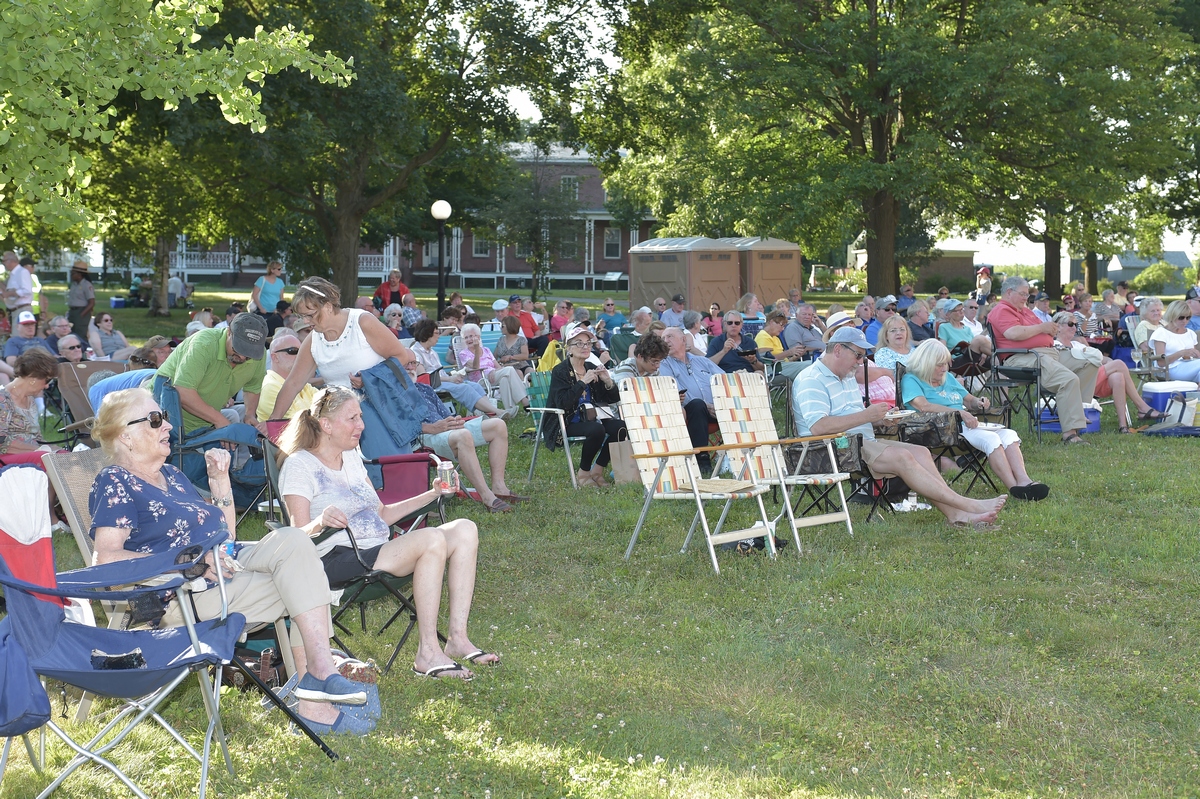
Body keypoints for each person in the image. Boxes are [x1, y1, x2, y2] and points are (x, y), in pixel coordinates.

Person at [89, 388, 373, 734]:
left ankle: (319, 677)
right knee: (304, 580)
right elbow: (106, 558)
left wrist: (220, 482)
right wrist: (189, 563)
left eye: (162, 417)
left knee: (296, 540)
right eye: (154, 420)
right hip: (180, 593)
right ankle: (315, 694)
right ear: (125, 436)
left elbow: (226, 535)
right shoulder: (116, 481)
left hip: (226, 569)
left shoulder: (173, 477)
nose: (167, 426)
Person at [277, 386, 499, 679]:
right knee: (431, 538)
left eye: (360, 416)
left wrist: (431, 494)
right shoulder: (299, 465)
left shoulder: (352, 458)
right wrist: (320, 521)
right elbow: (297, 535)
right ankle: (427, 653)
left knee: (465, 529)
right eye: (352, 418)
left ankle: (457, 639)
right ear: (326, 425)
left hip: (378, 551)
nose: (361, 425)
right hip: (334, 559)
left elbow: (382, 513)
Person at [793, 327, 1007, 528]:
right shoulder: (812, 379)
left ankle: (955, 515)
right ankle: (967, 505)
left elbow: (852, 418)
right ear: (837, 349)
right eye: (858, 355)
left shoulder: (847, 377)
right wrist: (866, 415)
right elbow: (818, 427)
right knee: (903, 458)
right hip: (826, 449)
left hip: (857, 442)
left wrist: (879, 420)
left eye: (863, 356)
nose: (861, 362)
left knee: (921, 452)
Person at [901, 340, 1048, 500]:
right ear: (925, 363)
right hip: (941, 430)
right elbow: (923, 406)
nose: (944, 368)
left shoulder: (947, 377)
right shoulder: (911, 379)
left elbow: (969, 400)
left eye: (946, 364)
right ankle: (1014, 488)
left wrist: (979, 402)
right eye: (939, 364)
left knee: (1008, 434)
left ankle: (1024, 480)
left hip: (965, 425)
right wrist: (959, 413)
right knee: (991, 438)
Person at [264, 277, 415, 421]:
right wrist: (273, 421)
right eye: (302, 316)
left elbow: (401, 356)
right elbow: (293, 383)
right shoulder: (313, 340)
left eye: (309, 315)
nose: (305, 321)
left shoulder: (362, 322)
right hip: (339, 421)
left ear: (328, 307)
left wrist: (370, 378)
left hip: (381, 414)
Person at [402, 361, 523, 512]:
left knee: (498, 425)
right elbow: (398, 426)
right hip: (421, 438)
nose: (410, 367)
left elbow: (445, 414)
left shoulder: (425, 388)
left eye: (413, 363)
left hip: (445, 430)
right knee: (463, 435)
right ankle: (487, 496)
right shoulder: (394, 394)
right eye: (404, 363)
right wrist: (432, 428)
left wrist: (454, 421)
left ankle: (499, 487)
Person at [990, 277, 1098, 445]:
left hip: (1047, 353)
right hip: (1023, 357)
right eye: (1023, 294)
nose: (1027, 298)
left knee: (1089, 362)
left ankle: (1077, 407)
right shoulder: (1002, 310)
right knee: (1068, 379)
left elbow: (1041, 328)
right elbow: (1013, 333)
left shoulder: (1024, 310)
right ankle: (1070, 435)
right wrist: (1043, 328)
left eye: (1027, 294)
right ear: (1009, 292)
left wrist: (1051, 329)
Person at [156, 312, 270, 436]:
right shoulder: (204, 344)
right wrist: (219, 420)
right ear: (229, 332)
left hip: (206, 421)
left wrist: (250, 414)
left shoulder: (258, 354)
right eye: (238, 348)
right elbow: (183, 392)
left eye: (249, 353)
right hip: (164, 419)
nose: (242, 357)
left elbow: (253, 387)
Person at [1051, 313, 1164, 432]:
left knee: (1117, 376)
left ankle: (1123, 425)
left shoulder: (1077, 344)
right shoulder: (1054, 346)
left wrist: (1106, 366)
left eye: (1076, 324)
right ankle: (1142, 407)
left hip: (1093, 382)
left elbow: (1104, 359)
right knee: (1119, 364)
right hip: (1076, 384)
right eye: (1070, 324)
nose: (1074, 328)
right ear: (1058, 326)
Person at [546, 325, 625, 488]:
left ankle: (597, 470)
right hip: (566, 421)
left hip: (593, 416)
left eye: (588, 343)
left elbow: (613, 399)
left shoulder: (591, 367)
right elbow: (562, 403)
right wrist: (582, 382)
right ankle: (583, 472)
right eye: (579, 343)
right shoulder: (560, 371)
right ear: (569, 348)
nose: (585, 347)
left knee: (621, 427)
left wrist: (607, 381)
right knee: (597, 430)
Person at [658, 327, 725, 474]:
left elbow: (724, 380)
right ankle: (702, 459)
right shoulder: (664, 364)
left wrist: (721, 404)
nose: (665, 341)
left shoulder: (702, 361)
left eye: (669, 336)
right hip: (689, 411)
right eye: (663, 339)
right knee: (697, 404)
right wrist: (707, 406)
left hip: (719, 409)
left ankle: (735, 456)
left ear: (683, 339)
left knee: (738, 405)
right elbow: (675, 388)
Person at [408, 320, 504, 418]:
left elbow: (441, 373)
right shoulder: (415, 353)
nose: (438, 336)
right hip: (431, 385)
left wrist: (454, 376)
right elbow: (424, 377)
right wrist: (450, 379)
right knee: (464, 388)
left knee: (475, 386)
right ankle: (496, 412)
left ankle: (491, 414)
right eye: (436, 333)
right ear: (427, 333)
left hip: (443, 381)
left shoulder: (432, 352)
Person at [457, 323, 528, 415]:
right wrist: (477, 350)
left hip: (493, 376)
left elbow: (498, 367)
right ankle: (524, 400)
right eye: (466, 337)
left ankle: (509, 410)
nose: (469, 339)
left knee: (504, 379)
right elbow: (475, 367)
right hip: (480, 380)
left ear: (478, 337)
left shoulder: (486, 350)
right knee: (509, 369)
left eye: (471, 336)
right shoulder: (463, 354)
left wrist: (493, 371)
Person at [0, 348, 58, 454]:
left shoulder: (30, 400)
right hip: (7, 456)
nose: (47, 386)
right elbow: (2, 443)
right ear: (33, 379)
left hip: (33, 453)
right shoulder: (2, 398)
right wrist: (42, 451)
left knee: (65, 456)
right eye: (47, 380)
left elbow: (37, 437)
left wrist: (54, 449)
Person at [256, 334, 320, 422]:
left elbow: (327, 407)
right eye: (293, 351)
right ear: (275, 357)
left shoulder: (301, 383)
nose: (300, 355)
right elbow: (301, 422)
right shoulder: (270, 386)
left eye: (301, 351)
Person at [1149, 300, 1200, 383]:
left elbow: (1191, 358)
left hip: (1189, 367)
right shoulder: (1161, 333)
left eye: (1188, 318)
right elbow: (1161, 363)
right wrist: (1181, 353)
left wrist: (1194, 354)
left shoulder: (1190, 333)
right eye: (1181, 317)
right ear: (1172, 315)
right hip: (1169, 369)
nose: (1185, 321)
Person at [937, 298, 992, 368]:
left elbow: (974, 346)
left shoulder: (967, 329)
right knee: (979, 339)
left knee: (995, 360)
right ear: (948, 314)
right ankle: (999, 354)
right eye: (958, 310)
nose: (961, 312)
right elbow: (942, 346)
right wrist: (946, 356)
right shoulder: (944, 327)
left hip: (974, 358)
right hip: (957, 359)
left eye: (962, 309)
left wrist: (984, 353)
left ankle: (1004, 360)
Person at [754, 310, 808, 379]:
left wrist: (794, 357)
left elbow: (782, 360)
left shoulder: (775, 338)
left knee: (812, 363)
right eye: (781, 325)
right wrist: (789, 352)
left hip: (781, 367)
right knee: (809, 365)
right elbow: (767, 360)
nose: (783, 329)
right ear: (771, 322)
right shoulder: (763, 336)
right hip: (772, 370)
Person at [66, 261, 96, 341]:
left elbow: (92, 302)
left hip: (82, 311)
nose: (71, 275)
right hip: (72, 311)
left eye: (73, 273)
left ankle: (84, 351)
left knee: (81, 334)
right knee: (70, 333)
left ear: (79, 275)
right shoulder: (74, 284)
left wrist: (82, 315)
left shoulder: (86, 285)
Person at [1131, 296, 1163, 366]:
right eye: (1153, 311)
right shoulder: (1143, 326)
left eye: (1158, 310)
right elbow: (1146, 347)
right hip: (1157, 361)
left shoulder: (1164, 323)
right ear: (1145, 313)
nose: (1156, 313)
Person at [4, 252, 32, 322]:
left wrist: (12, 293)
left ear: (11, 261)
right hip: (15, 310)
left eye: (4, 261)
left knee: (19, 333)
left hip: (22, 309)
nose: (3, 264)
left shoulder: (22, 272)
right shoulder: (13, 274)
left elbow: (27, 291)